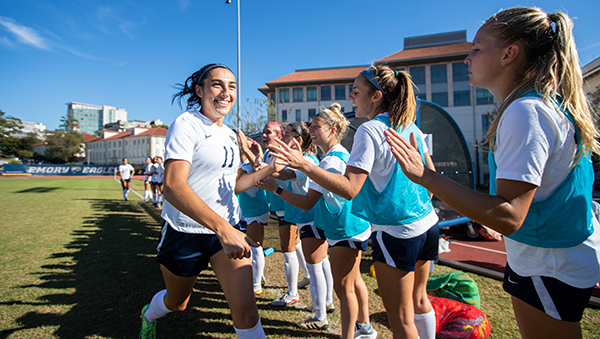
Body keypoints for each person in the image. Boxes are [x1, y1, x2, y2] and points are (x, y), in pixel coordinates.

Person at [385, 7, 600, 339]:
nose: (467, 58)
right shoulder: (546, 104)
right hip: (556, 258)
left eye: (476, 49)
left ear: (509, 54)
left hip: (547, 263)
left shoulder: (525, 112)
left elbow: (510, 216)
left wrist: (425, 176)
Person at [272, 64, 438, 339]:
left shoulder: (370, 130)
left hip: (397, 231)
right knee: (420, 301)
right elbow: (429, 175)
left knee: (402, 319)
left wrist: (305, 165)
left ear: (376, 96)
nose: (351, 97)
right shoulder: (410, 126)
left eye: (356, 91)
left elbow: (350, 189)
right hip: (427, 223)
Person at [139, 63, 280, 339]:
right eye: (217, 84)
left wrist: (273, 169)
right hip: (185, 233)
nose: (225, 92)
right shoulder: (186, 124)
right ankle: (149, 313)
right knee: (177, 303)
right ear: (199, 90)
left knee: (248, 314)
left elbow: (235, 184)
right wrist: (223, 228)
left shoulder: (229, 134)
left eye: (232, 86)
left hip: (225, 232)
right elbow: (172, 186)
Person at [258, 103, 375, 338]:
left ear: (332, 130)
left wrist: (276, 190)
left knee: (344, 289)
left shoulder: (330, 162)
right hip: (353, 226)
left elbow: (306, 203)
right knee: (355, 281)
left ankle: (348, 334)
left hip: (344, 229)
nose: (311, 129)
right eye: (310, 125)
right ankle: (365, 327)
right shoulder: (338, 154)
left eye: (317, 126)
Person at [259, 121, 311, 306]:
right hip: (282, 204)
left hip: (288, 205)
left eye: (268, 132)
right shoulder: (268, 152)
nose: (264, 135)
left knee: (288, 248)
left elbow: (284, 175)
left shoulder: (284, 154)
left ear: (280, 136)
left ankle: (292, 292)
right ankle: (307, 276)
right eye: (264, 132)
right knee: (295, 245)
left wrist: (263, 169)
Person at [237, 137, 269, 295]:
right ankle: (259, 276)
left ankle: (256, 285)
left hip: (255, 210)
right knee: (255, 246)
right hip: (249, 210)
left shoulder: (248, 166)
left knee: (255, 247)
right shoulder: (244, 165)